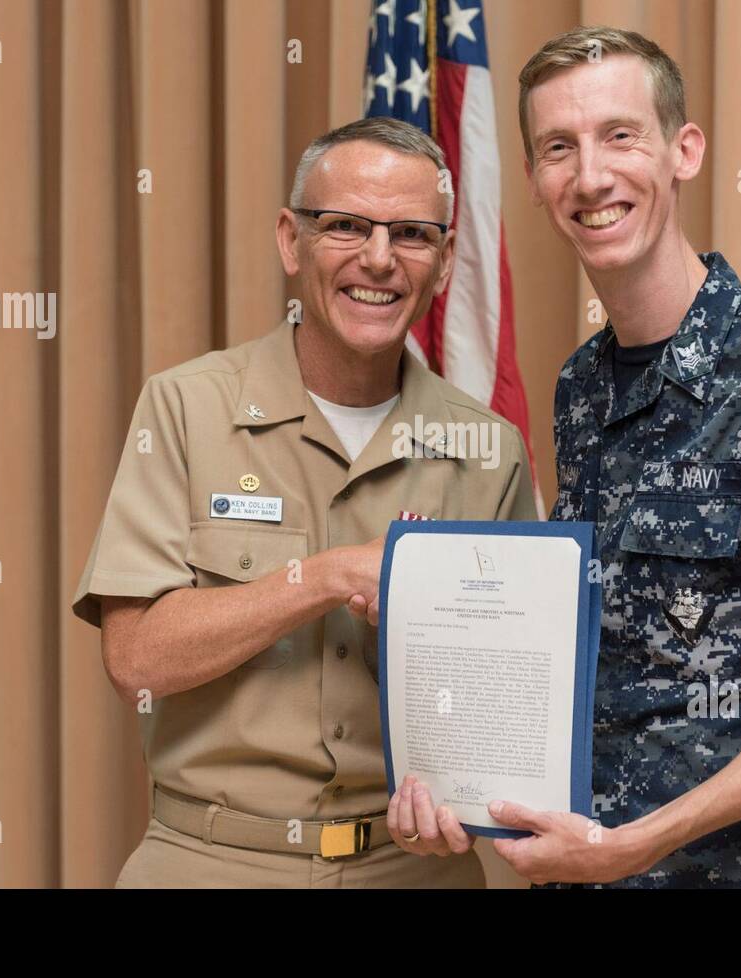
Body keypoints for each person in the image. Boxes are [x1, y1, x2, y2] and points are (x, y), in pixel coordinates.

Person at [389, 26, 741, 888]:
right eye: (559, 147)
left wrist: (641, 842)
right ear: (531, 179)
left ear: (686, 150)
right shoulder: (581, 392)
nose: (591, 176)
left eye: (619, 135)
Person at [71, 116, 538, 887]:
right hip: (210, 860)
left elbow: (516, 702)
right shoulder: (185, 409)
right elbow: (135, 659)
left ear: (447, 260)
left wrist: (467, 797)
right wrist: (326, 578)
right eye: (346, 226)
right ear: (291, 240)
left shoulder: (490, 452)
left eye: (413, 234)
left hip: (414, 868)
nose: (380, 260)